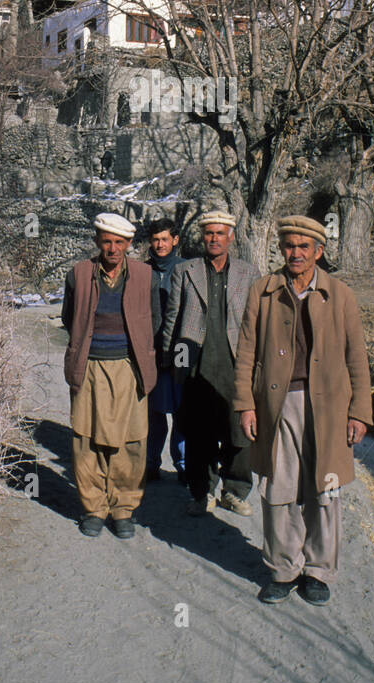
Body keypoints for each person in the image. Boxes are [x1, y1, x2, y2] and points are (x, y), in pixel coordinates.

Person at [233, 215, 374, 604]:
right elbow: (246, 352)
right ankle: (283, 568)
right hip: (277, 404)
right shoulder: (263, 291)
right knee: (279, 485)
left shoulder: (340, 295)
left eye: (303, 247)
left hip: (328, 407)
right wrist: (245, 404)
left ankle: (318, 571)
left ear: (319, 251)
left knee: (325, 487)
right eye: (289, 246)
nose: (295, 253)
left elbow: (356, 357)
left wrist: (359, 410)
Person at [61, 212, 159, 538]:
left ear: (129, 244)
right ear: (97, 242)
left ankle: (123, 508)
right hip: (89, 366)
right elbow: (69, 317)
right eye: (107, 242)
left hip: (129, 367)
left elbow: (154, 321)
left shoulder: (146, 276)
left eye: (119, 243)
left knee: (131, 439)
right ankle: (93, 508)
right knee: (86, 438)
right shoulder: (78, 275)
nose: (113, 249)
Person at [162, 210, 260, 516]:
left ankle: (235, 491)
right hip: (196, 364)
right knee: (198, 432)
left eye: (220, 233)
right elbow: (173, 318)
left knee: (239, 432)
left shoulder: (249, 273)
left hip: (236, 365)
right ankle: (201, 491)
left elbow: (256, 322)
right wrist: (170, 359)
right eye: (209, 233)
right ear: (202, 237)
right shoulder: (186, 270)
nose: (214, 239)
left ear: (230, 237)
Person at [145, 218, 185, 483]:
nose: (160, 244)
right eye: (155, 240)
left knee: (183, 413)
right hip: (151, 351)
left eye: (165, 239)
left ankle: (184, 464)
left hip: (181, 351)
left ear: (175, 240)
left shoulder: (188, 269)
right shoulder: (141, 271)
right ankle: (150, 463)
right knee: (153, 413)